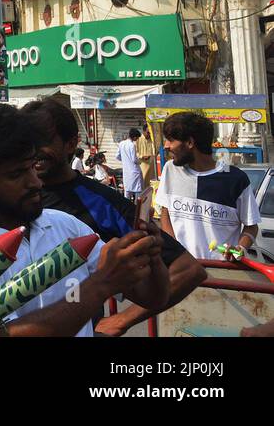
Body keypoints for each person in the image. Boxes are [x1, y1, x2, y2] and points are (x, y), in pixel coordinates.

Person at [0, 104, 169, 336]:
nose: (35, 182)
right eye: (16, 174)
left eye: (32, 167)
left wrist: (151, 257)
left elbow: (152, 296)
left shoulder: (65, 225)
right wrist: (102, 283)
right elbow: (4, 334)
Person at [21, 98, 205, 337]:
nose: (34, 150)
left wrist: (121, 319)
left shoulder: (100, 202)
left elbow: (188, 270)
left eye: (44, 140)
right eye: (27, 142)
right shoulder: (11, 199)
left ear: (71, 144)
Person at [157, 110, 260, 261]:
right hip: (182, 269)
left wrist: (240, 249)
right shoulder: (170, 170)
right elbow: (165, 212)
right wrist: (175, 250)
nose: (166, 146)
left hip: (221, 273)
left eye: (171, 140)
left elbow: (251, 226)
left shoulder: (236, 180)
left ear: (190, 143)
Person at [116, 128, 144, 201]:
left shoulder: (121, 143)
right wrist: (140, 161)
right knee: (137, 190)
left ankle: (126, 207)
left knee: (127, 191)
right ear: (134, 137)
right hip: (134, 171)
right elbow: (134, 159)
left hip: (126, 172)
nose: (137, 139)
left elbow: (117, 156)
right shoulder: (132, 145)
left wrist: (125, 160)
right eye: (137, 138)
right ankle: (136, 207)